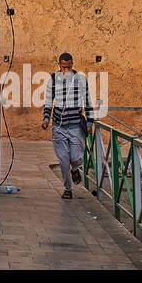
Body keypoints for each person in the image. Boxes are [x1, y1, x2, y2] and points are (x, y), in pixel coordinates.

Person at [42, 52, 94, 199]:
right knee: (64, 160)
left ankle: (75, 168)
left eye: (69, 67)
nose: (66, 70)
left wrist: (90, 121)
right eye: (63, 67)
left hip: (76, 126)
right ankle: (67, 188)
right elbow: (48, 102)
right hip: (59, 126)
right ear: (59, 65)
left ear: (72, 65)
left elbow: (88, 101)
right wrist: (46, 119)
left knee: (77, 157)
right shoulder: (52, 80)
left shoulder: (81, 80)